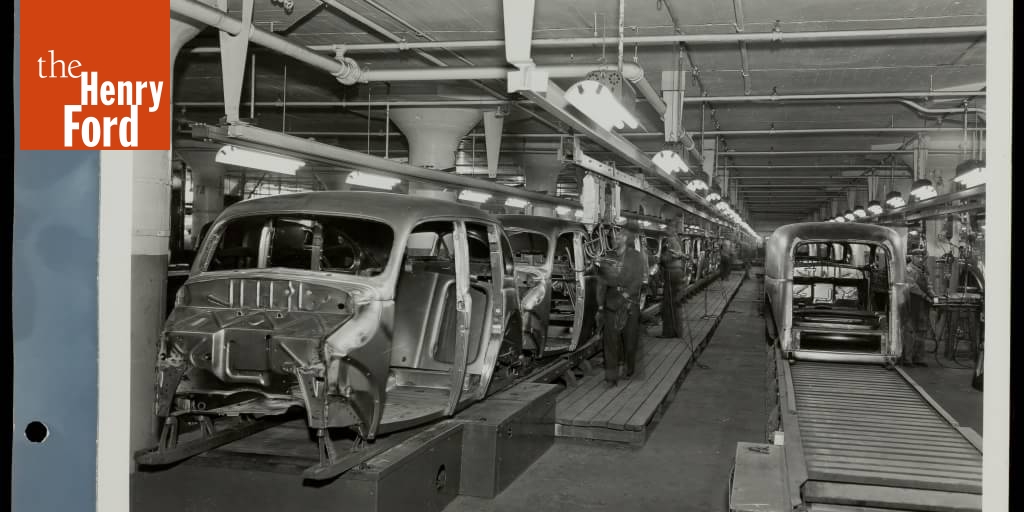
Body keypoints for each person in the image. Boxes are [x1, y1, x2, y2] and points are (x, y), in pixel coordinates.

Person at [596, 225, 646, 387]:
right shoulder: (607, 257)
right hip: (611, 303)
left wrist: (625, 295)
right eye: (613, 237)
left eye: (617, 237)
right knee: (610, 342)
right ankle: (611, 377)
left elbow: (638, 280)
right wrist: (600, 305)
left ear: (625, 238)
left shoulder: (636, 257)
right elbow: (602, 282)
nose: (614, 239)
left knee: (630, 340)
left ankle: (629, 368)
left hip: (630, 304)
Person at [903, 250, 932, 367]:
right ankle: (907, 358)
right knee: (910, 330)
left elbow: (929, 284)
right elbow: (911, 286)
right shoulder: (908, 270)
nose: (920, 259)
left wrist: (932, 294)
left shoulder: (924, 270)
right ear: (912, 257)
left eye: (922, 256)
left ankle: (919, 357)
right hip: (911, 303)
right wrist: (924, 295)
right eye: (918, 256)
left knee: (922, 330)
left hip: (922, 304)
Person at [659, 226, 687, 338]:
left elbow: (666, 258)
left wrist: (660, 259)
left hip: (671, 273)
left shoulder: (668, 242)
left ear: (670, 231)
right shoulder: (678, 241)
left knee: (668, 304)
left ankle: (669, 332)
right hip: (678, 273)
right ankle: (678, 331)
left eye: (666, 230)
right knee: (676, 302)